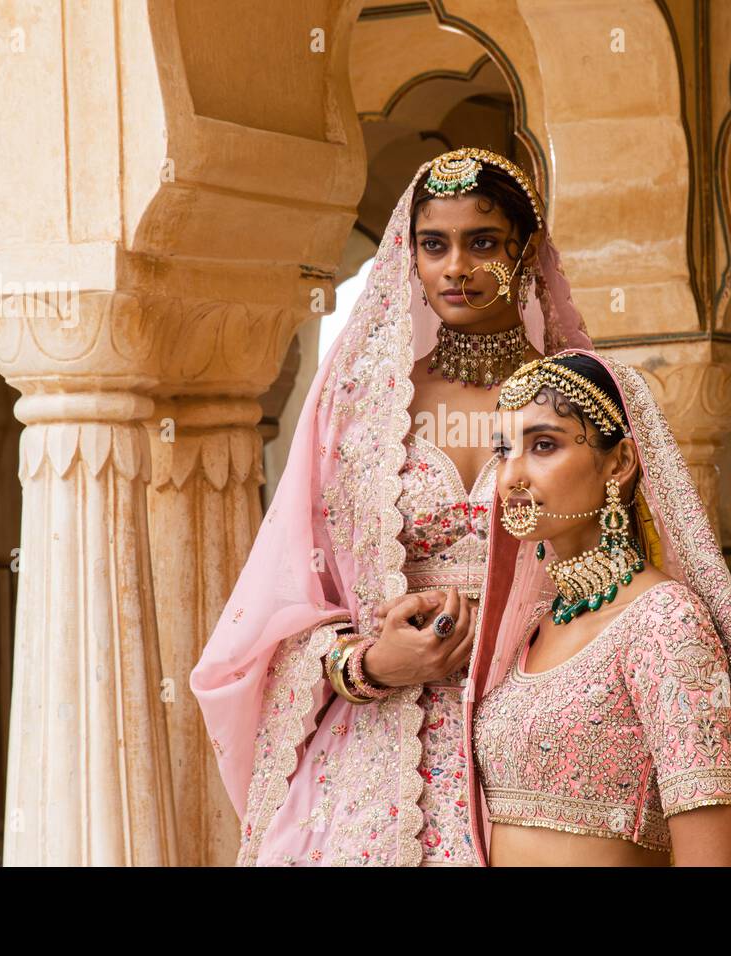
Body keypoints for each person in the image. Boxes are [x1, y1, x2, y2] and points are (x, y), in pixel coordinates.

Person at [189, 147, 593, 866]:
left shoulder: (580, 404)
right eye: (434, 245)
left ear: (526, 254)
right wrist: (371, 662)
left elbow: (623, 565)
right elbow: (289, 598)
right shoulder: (362, 408)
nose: (455, 268)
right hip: (382, 755)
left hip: (543, 721)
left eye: (484, 243)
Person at [467, 350, 731, 866]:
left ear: (621, 463)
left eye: (543, 445)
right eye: (503, 450)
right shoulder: (528, 628)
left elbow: (711, 857)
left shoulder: (664, 622)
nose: (511, 475)